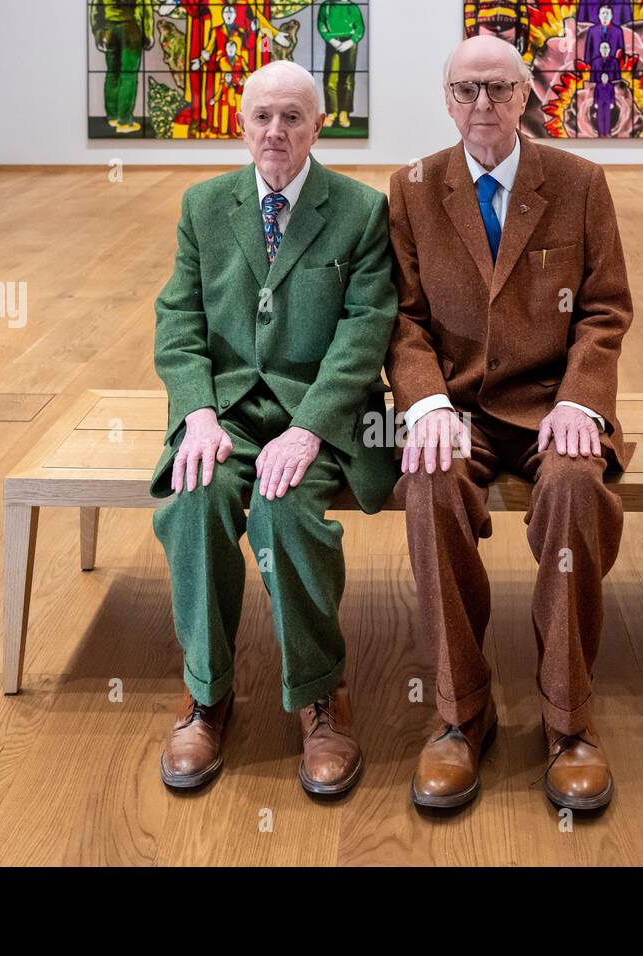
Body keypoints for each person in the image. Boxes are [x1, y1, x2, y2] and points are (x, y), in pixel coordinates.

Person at [387, 36, 634, 811]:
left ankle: (569, 720)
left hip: (553, 405)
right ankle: (460, 714)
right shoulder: (414, 188)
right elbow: (403, 319)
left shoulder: (579, 182)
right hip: (457, 407)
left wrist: (581, 400)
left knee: (571, 492)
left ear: (526, 96)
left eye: (498, 89)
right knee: (426, 487)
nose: (482, 106)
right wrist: (425, 402)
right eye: (466, 91)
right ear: (447, 99)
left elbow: (604, 309)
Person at [151, 60, 398, 796]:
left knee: (285, 512)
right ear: (241, 123)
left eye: (293, 116)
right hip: (224, 415)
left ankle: (321, 698)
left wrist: (312, 427)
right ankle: (207, 691)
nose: (276, 131)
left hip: (315, 418)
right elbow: (179, 320)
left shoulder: (359, 210)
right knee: (194, 501)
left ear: (320, 126)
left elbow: (366, 329)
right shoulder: (203, 207)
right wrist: (196, 412)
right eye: (262, 116)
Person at [90, 0, 155, 134]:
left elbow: (95, 9)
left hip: (108, 29)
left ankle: (112, 116)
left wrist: (98, 32)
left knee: (112, 73)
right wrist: (148, 33)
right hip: (130, 28)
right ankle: (124, 121)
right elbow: (145, 7)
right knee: (129, 75)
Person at [318, 0, 365, 129]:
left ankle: (344, 112)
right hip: (333, 43)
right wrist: (331, 40)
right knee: (330, 80)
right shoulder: (325, 6)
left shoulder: (352, 7)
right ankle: (332, 113)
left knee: (347, 79)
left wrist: (351, 42)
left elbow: (359, 28)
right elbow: (321, 25)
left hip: (349, 43)